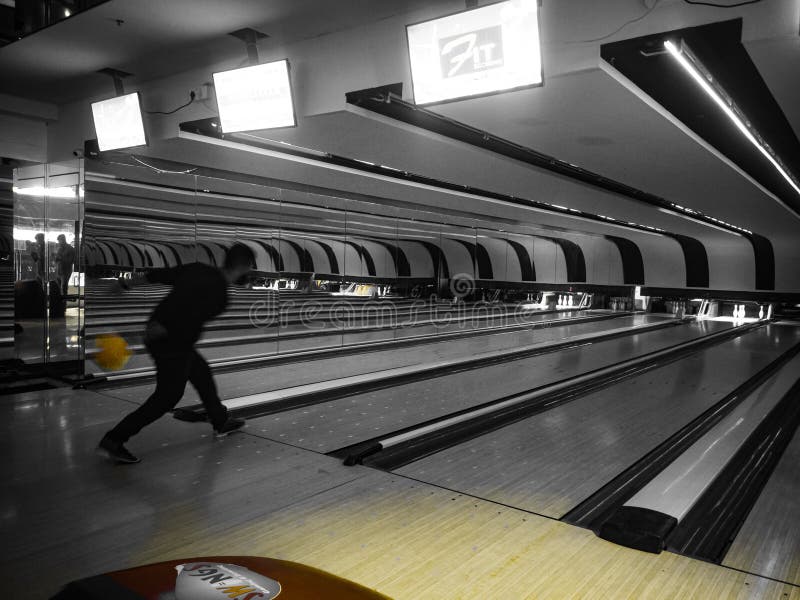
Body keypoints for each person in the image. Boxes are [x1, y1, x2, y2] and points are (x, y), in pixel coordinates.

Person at [97, 243, 256, 464]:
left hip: (166, 335)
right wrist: (147, 334)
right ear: (245, 267)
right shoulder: (220, 296)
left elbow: (160, 275)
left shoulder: (199, 269)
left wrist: (126, 283)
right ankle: (114, 440)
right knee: (166, 398)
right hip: (172, 342)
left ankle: (220, 420)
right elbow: (186, 321)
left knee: (200, 372)